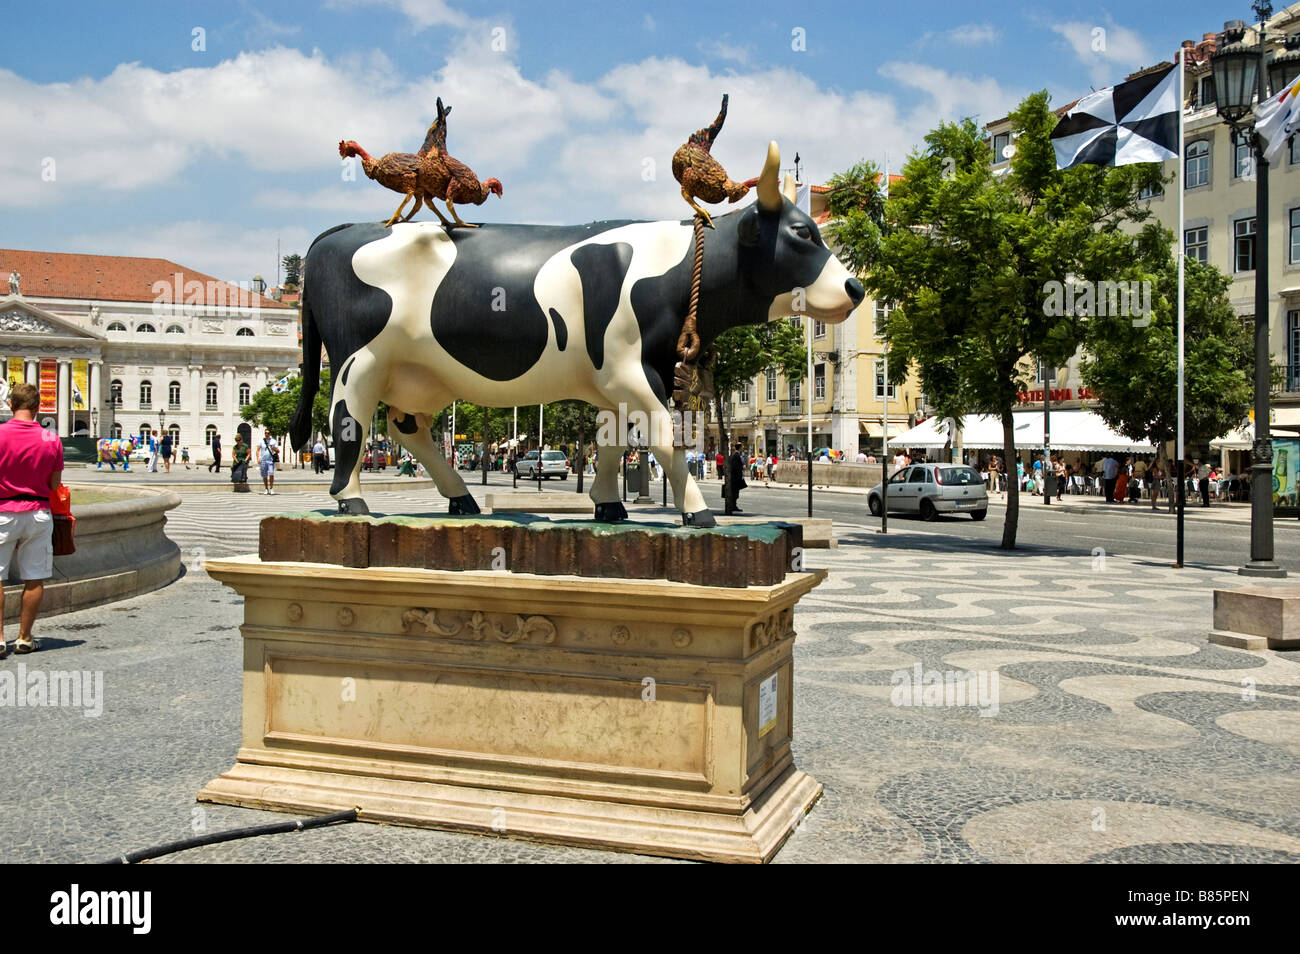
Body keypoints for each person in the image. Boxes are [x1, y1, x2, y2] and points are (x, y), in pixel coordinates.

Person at [0, 383, 63, 657]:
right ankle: (24, 637)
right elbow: (54, 484)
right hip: (38, 513)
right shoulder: (51, 439)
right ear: (38, 409)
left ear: (10, 405)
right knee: (34, 578)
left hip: (2, 512)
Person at [724, 441, 747, 515]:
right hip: (735, 477)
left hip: (735, 476)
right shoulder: (736, 455)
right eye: (742, 446)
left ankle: (733, 505)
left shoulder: (735, 454)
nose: (743, 448)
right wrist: (741, 467)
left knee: (735, 492)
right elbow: (734, 466)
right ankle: (732, 506)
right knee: (734, 492)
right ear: (739, 447)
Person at [258, 428, 278, 495]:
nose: (267, 434)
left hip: (270, 460)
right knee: (264, 475)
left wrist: (273, 448)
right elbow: (257, 450)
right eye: (265, 433)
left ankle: (271, 488)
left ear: (270, 434)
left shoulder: (273, 441)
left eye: (268, 433)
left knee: (271, 473)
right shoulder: (261, 441)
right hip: (263, 460)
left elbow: (278, 451)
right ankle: (266, 488)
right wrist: (258, 458)